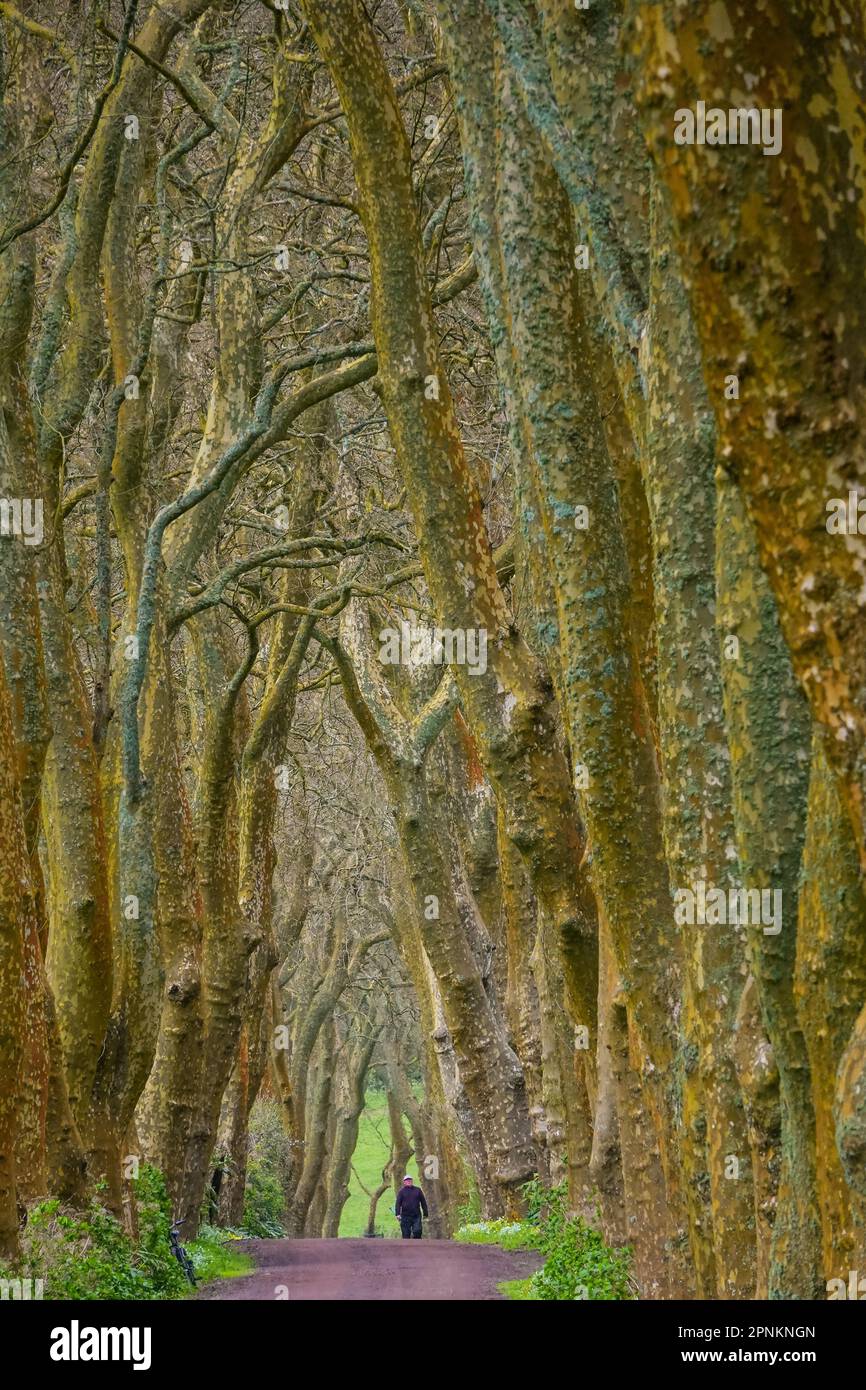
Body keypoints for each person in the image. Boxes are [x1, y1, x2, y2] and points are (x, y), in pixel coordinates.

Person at [395, 1174, 428, 1239]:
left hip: (416, 1215)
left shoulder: (418, 1190)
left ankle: (417, 1246)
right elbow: (398, 1203)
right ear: (404, 1182)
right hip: (405, 1216)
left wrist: (425, 1213)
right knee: (406, 1234)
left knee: (417, 1231)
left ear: (412, 1181)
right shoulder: (401, 1192)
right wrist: (397, 1214)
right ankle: (406, 1248)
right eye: (407, 1180)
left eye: (410, 1180)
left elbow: (423, 1202)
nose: (409, 1181)